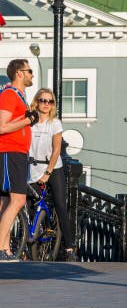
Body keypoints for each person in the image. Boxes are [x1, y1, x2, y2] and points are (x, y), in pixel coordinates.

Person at [28, 88, 76, 261]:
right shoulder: (30, 122)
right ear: (36, 101)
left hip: (53, 168)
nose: (46, 104)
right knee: (29, 205)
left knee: (60, 205)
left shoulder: (54, 123)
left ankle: (70, 248)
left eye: (50, 101)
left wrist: (48, 172)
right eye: (43, 100)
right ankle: (29, 243)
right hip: (32, 167)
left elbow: (56, 150)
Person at [0, 59, 37, 263]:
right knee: (18, 200)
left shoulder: (19, 97)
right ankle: (0, 248)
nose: (32, 74)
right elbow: (1, 126)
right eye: (29, 71)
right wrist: (28, 120)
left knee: (6, 201)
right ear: (19, 73)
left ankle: (4, 249)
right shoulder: (9, 95)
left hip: (17, 152)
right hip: (9, 151)